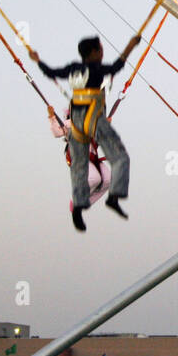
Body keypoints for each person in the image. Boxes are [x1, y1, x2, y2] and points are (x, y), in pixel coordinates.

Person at [29, 34, 140, 229]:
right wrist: (38, 61)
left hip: (93, 146)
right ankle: (77, 207)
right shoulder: (70, 120)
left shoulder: (97, 74)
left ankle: (107, 200)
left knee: (108, 178)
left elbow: (116, 67)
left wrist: (130, 47)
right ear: (92, 53)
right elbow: (58, 131)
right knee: (95, 178)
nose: (102, 53)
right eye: (100, 50)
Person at [50, 112, 111, 210]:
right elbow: (57, 133)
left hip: (92, 156)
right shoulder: (69, 123)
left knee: (108, 179)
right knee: (94, 178)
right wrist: (52, 118)